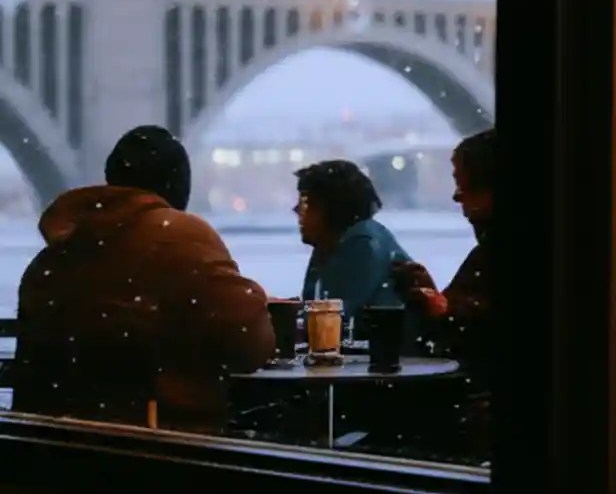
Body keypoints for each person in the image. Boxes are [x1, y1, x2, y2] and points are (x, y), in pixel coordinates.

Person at [12, 125, 274, 431]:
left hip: (49, 452)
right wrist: (254, 296)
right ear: (178, 188)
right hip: (158, 451)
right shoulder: (181, 238)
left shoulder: (57, 253)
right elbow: (250, 345)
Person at [393, 129, 494, 373]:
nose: (456, 196)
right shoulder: (487, 253)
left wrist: (443, 307)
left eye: (461, 183)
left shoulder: (489, 254)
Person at [294, 160, 411, 315]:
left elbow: (333, 318)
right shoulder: (329, 245)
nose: (296, 210)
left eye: (306, 203)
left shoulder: (362, 245)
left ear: (334, 208)